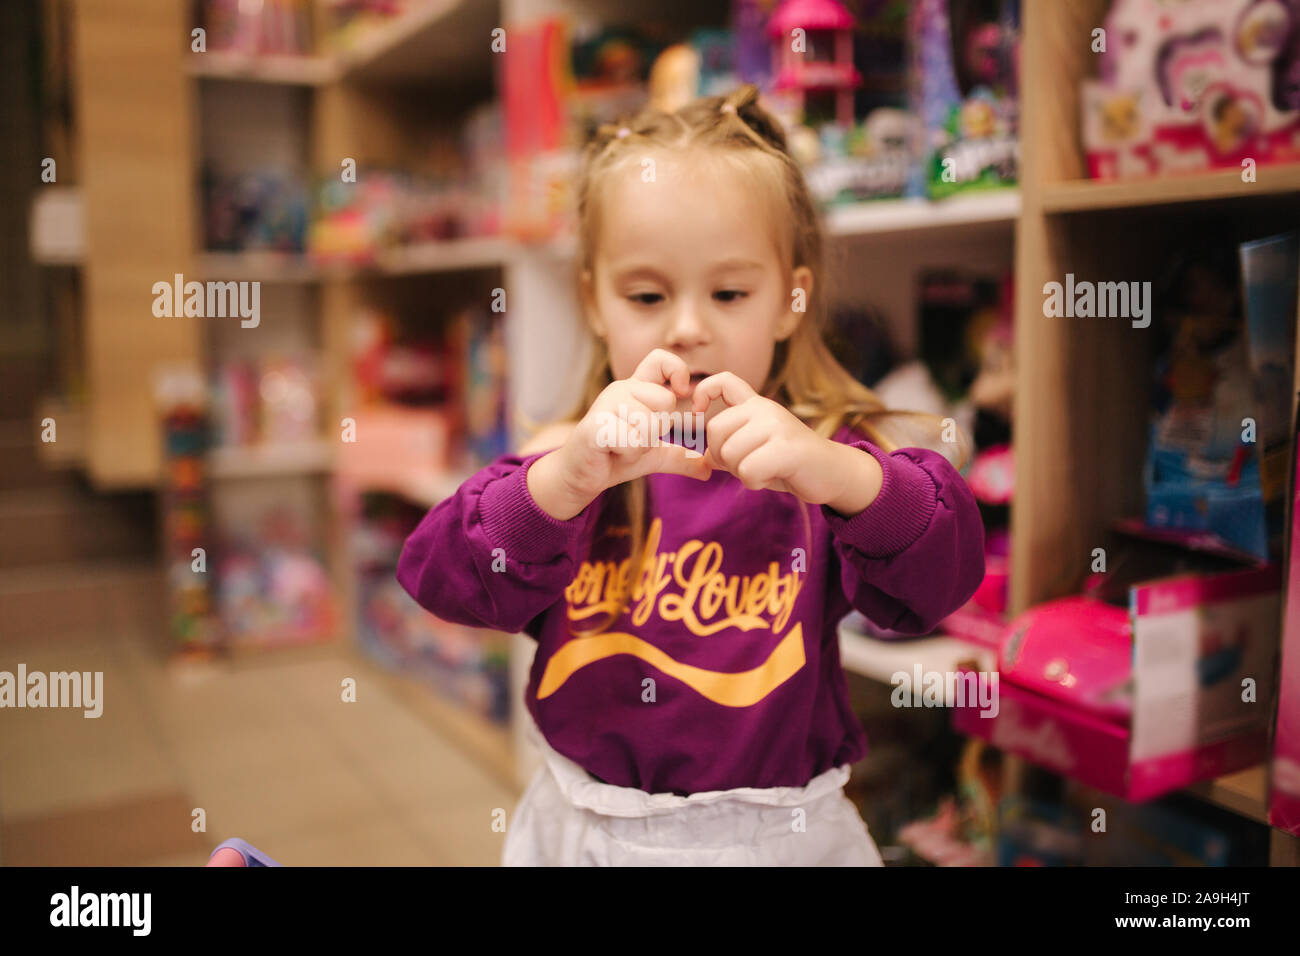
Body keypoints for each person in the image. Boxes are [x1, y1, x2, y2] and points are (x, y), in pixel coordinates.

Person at [397, 84, 985, 866]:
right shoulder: (573, 459)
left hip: (782, 840)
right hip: (588, 833)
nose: (686, 327)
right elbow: (434, 574)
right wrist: (560, 481)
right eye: (646, 294)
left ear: (789, 301)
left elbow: (945, 575)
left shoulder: (823, 462)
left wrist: (840, 473)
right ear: (596, 303)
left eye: (730, 292)